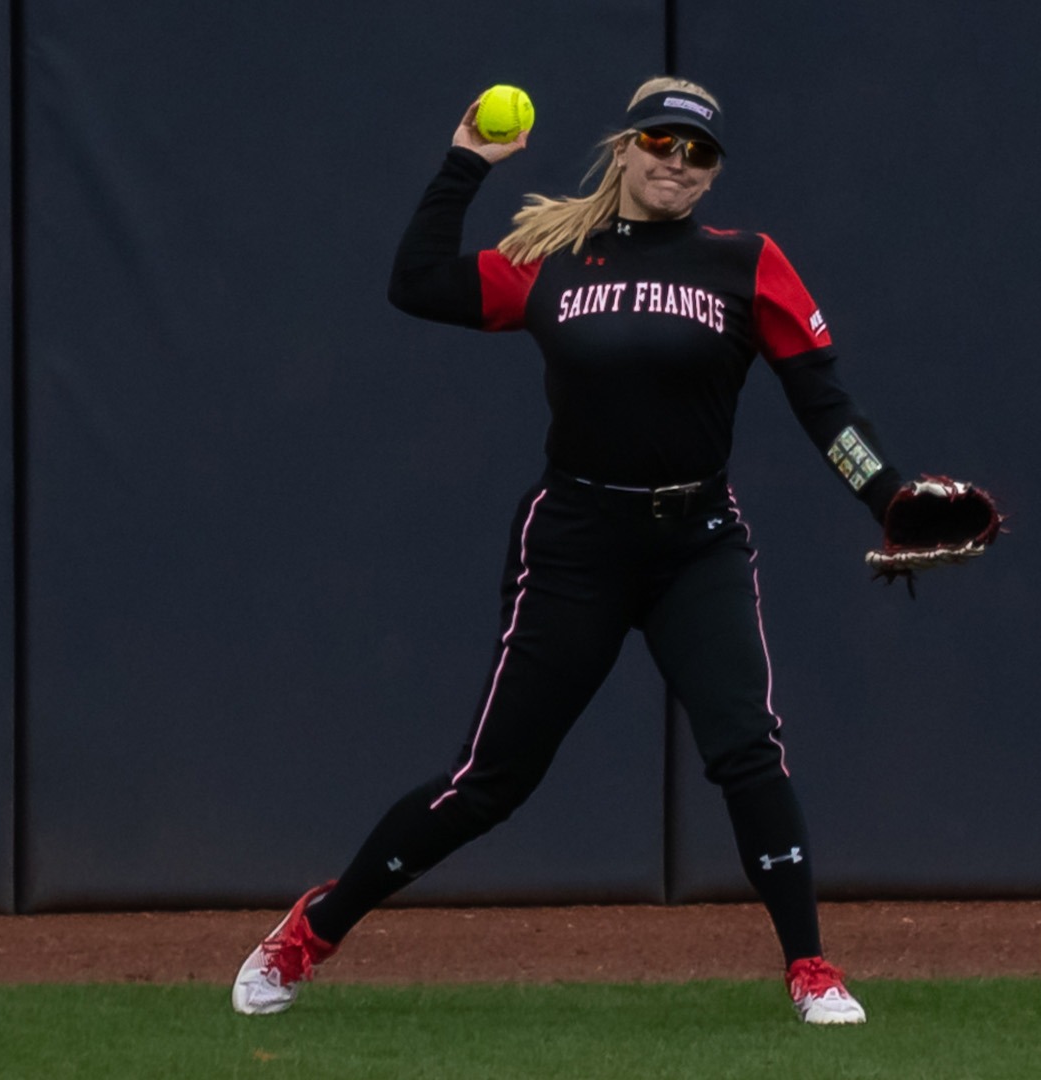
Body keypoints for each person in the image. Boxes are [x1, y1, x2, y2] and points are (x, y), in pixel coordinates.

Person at [233, 76, 912, 1025]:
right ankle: (314, 928)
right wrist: (465, 161)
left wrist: (889, 496)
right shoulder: (552, 257)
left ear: (714, 176)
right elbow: (415, 281)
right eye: (662, 144)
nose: (677, 163)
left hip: (695, 544)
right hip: (577, 545)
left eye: (699, 153)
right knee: (490, 782)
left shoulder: (747, 262)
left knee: (749, 754)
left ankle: (811, 967)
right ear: (626, 149)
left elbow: (825, 404)